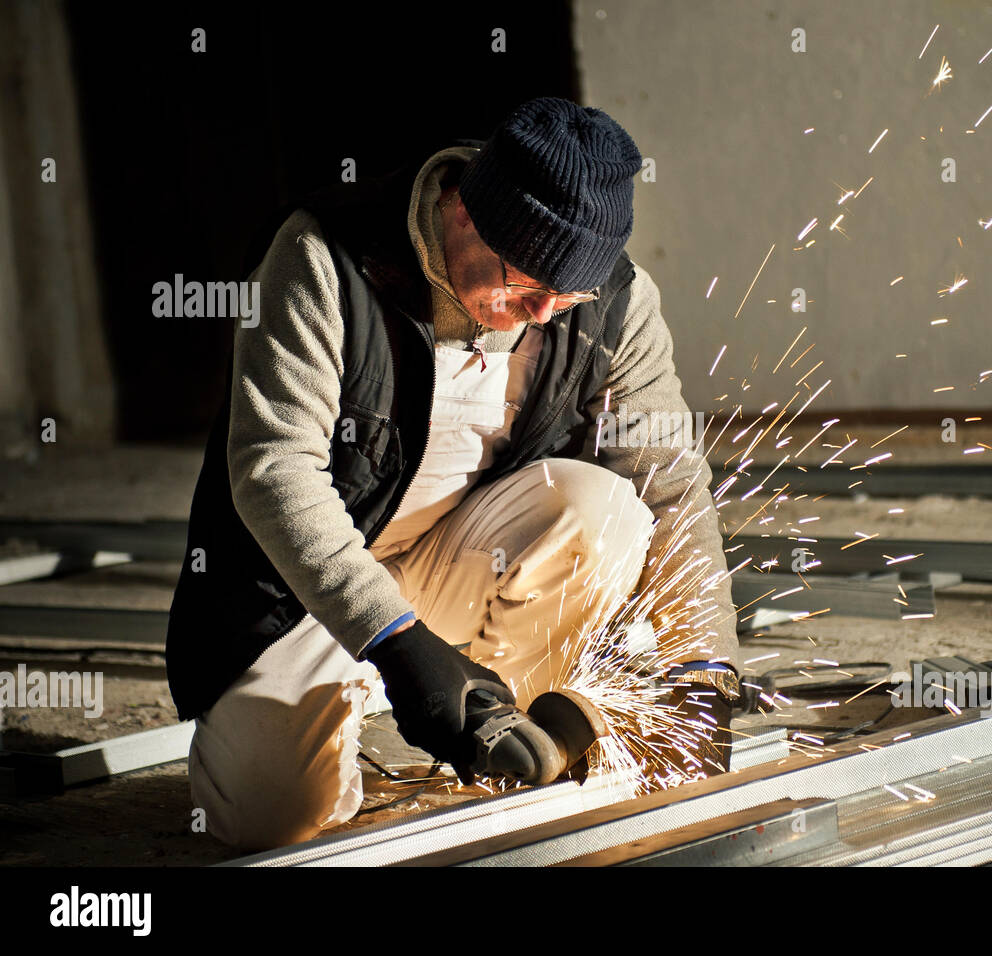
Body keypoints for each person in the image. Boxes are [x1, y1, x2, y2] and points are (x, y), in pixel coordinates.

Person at [165, 97, 740, 850]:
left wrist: (705, 666)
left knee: (604, 508)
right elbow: (275, 473)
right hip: (306, 593)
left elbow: (668, 479)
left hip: (459, 559)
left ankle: (502, 724)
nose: (538, 315)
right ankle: (381, 695)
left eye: (566, 299)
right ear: (464, 211)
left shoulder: (614, 304)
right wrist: (399, 644)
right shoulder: (322, 257)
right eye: (523, 284)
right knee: (271, 820)